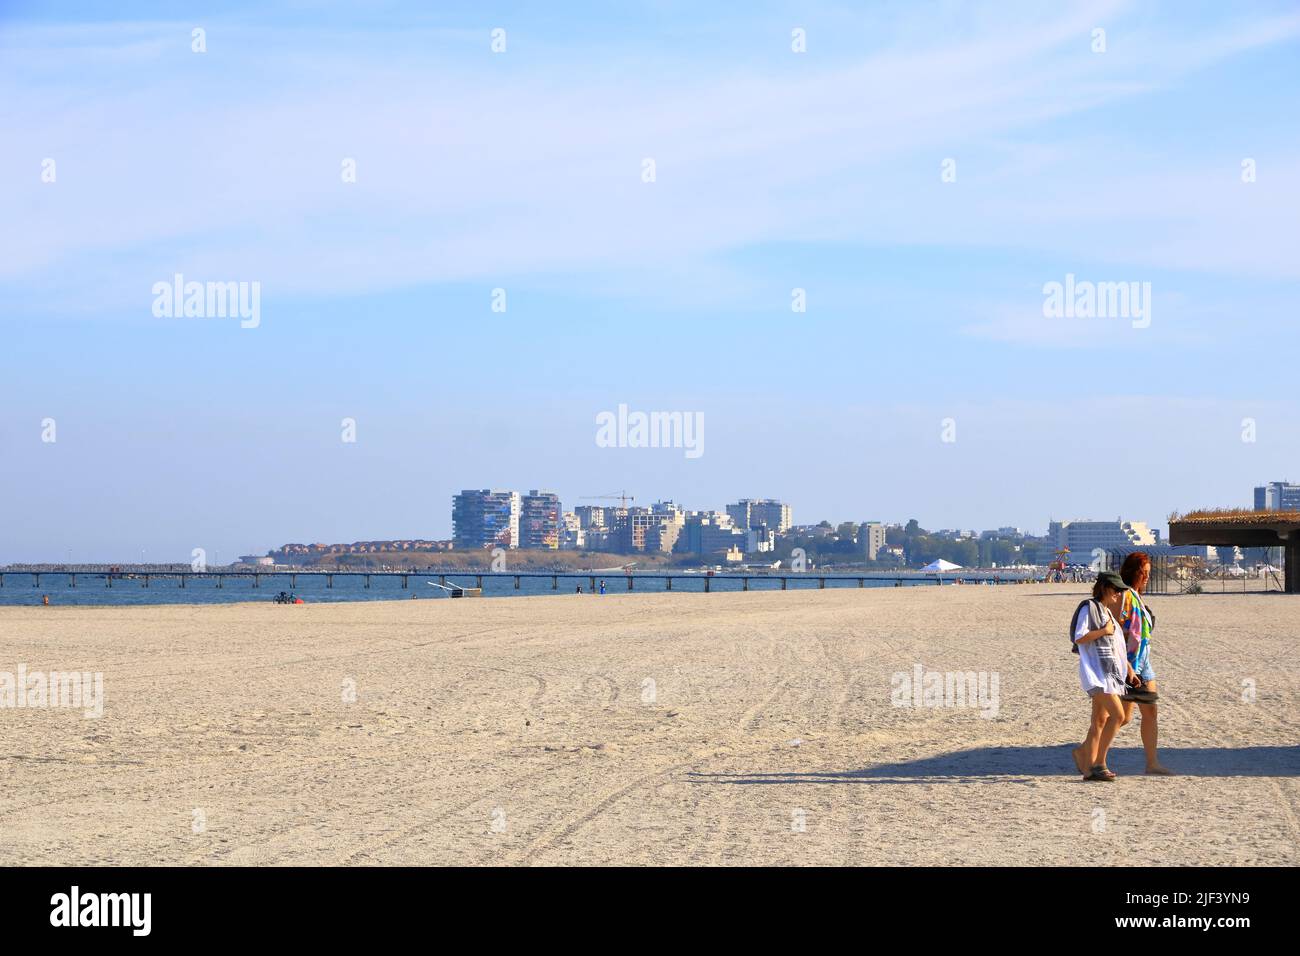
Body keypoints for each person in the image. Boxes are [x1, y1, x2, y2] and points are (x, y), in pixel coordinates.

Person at [1071, 571, 1139, 781]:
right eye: (1116, 590)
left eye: (1120, 591)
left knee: (1100, 721)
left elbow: (1116, 646)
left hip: (1110, 674)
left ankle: (1087, 763)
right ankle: (1100, 763)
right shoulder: (1089, 608)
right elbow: (1080, 637)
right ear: (1105, 588)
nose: (1119, 594)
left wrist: (1128, 669)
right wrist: (1104, 631)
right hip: (1096, 674)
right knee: (1118, 716)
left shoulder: (1107, 613)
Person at [1116, 552, 1173, 775]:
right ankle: (1088, 751)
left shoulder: (1137, 596)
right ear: (1134, 573)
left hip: (1144, 664)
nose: (1147, 577)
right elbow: (1118, 628)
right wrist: (1126, 665)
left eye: (1149, 573)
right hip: (1129, 665)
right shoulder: (1126, 596)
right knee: (1122, 717)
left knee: (1150, 713)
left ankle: (1152, 763)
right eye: (1144, 573)